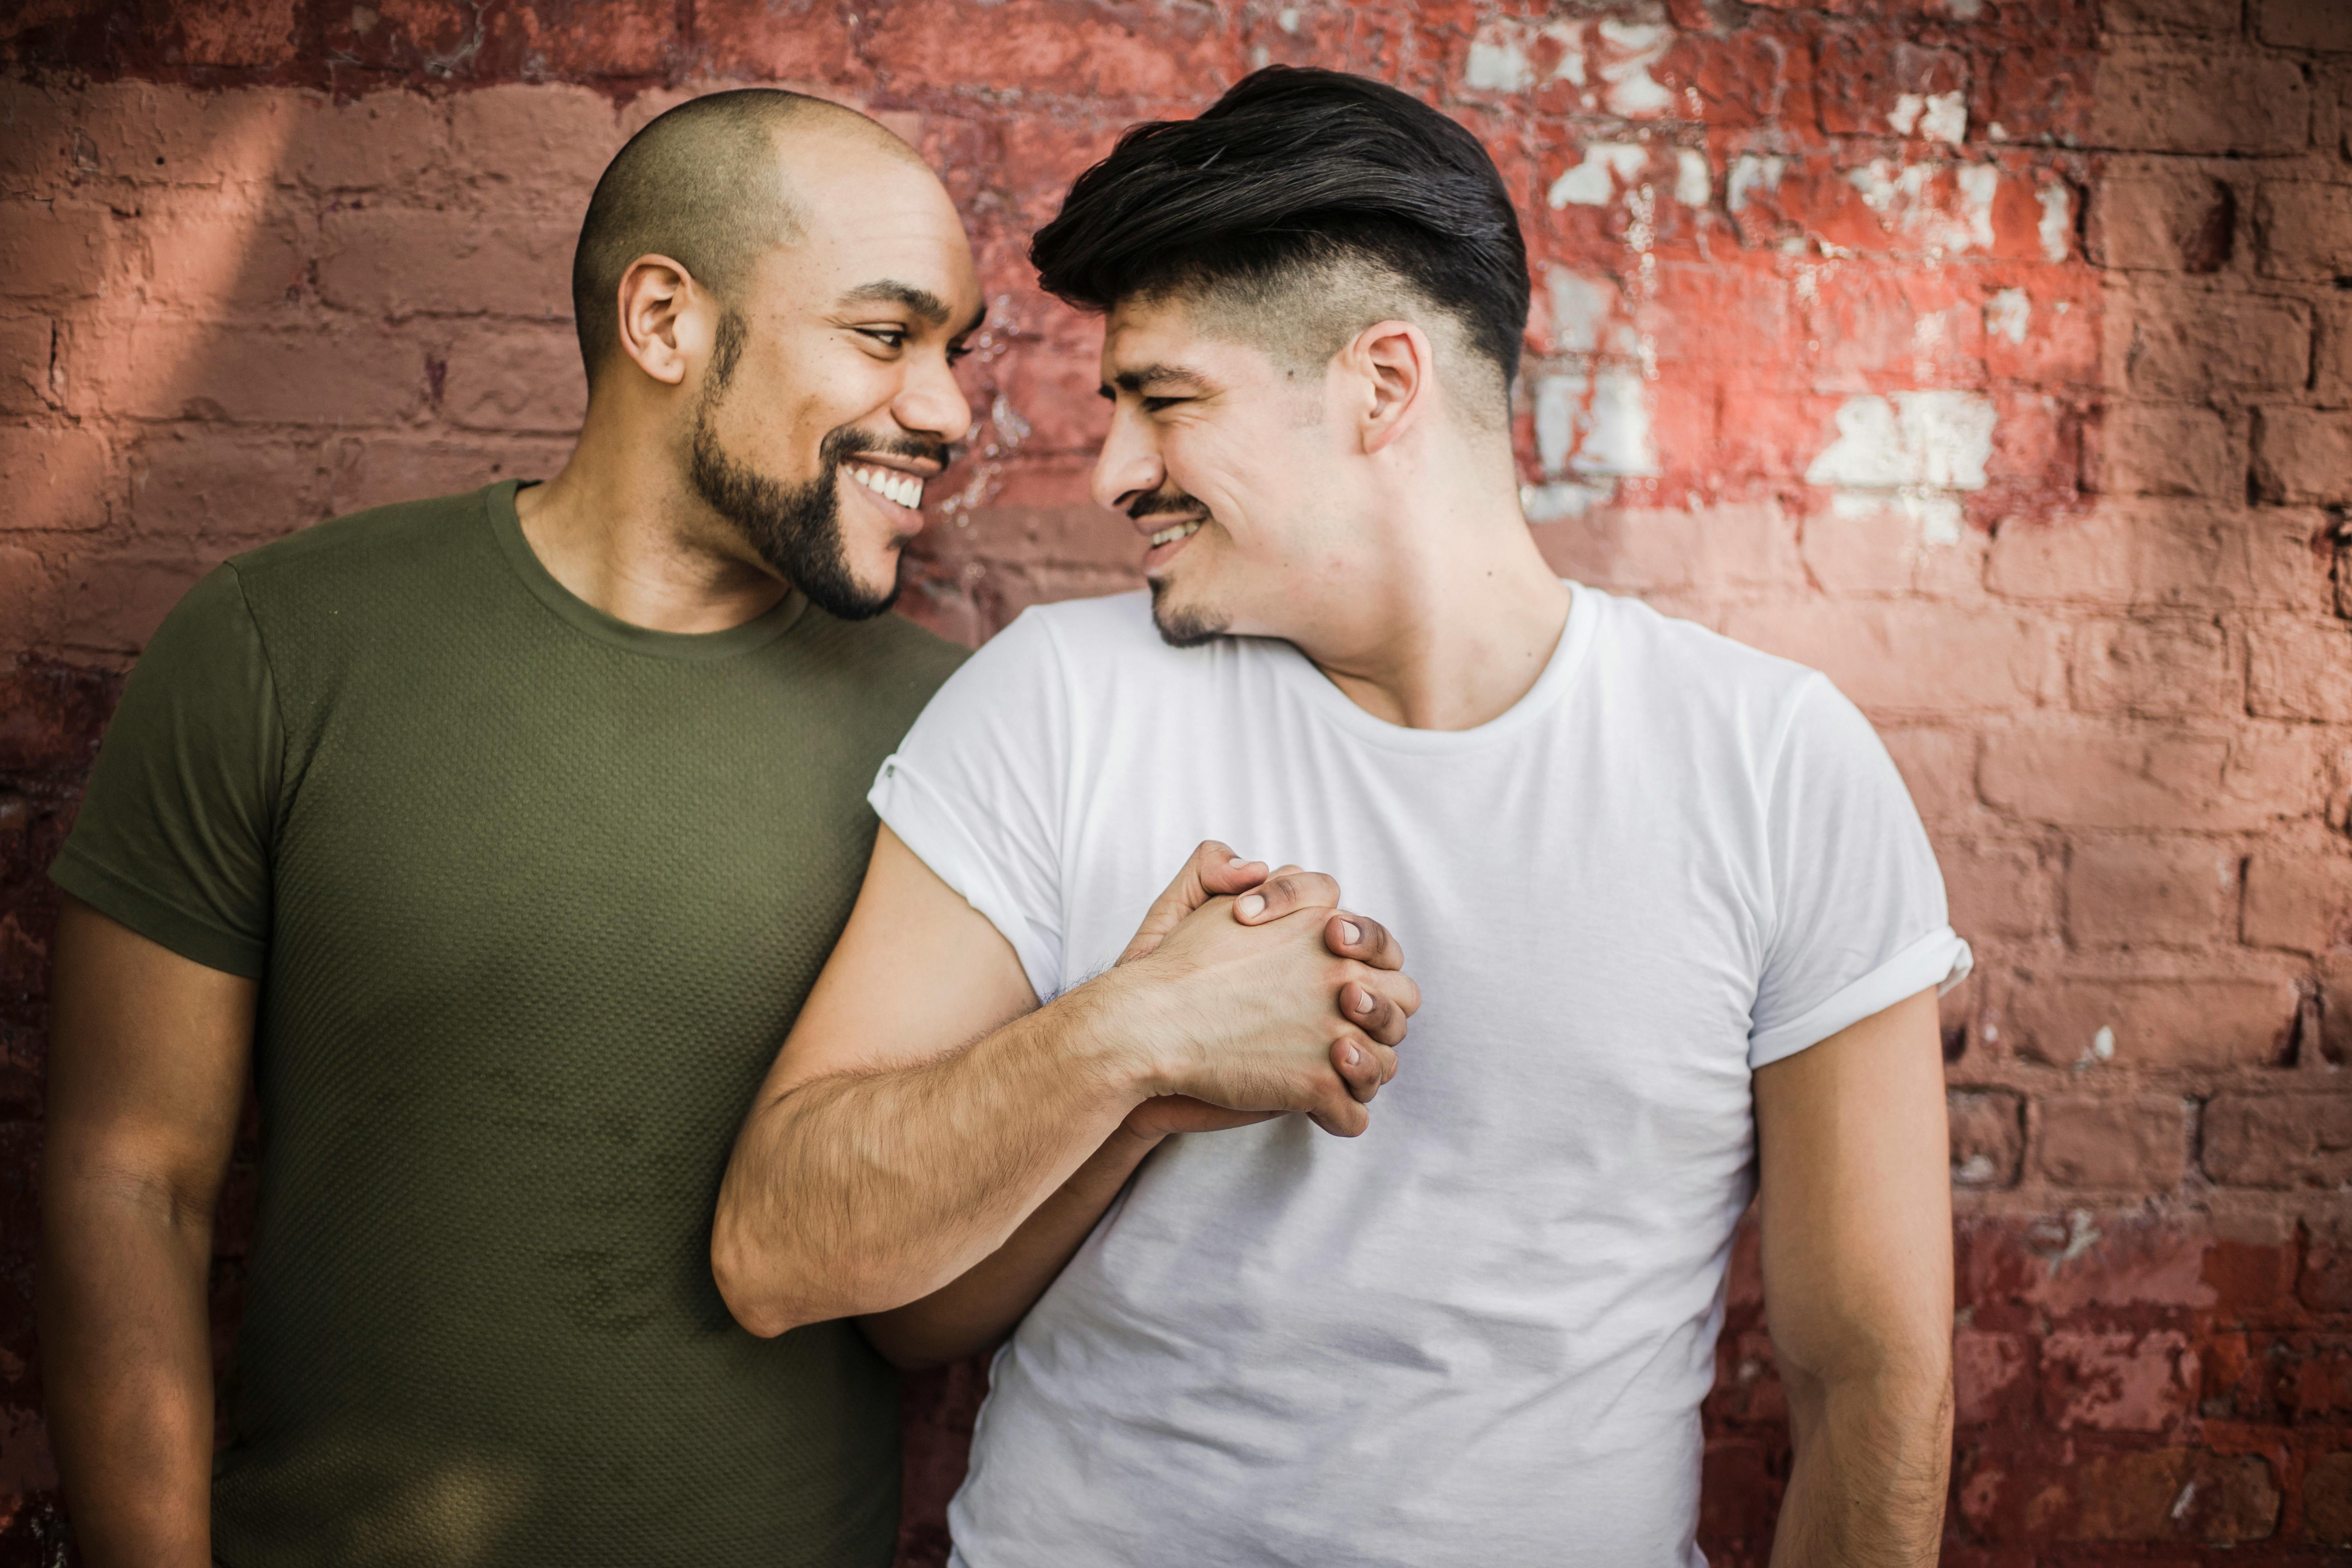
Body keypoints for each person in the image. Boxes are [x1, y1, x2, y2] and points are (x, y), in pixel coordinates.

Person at [715, 66, 1968, 1568]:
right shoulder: (1056, 698)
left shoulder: (1773, 765)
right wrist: (1133, 1044)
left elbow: (1872, 1379)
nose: (1115, 469)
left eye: (1164, 401)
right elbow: (792, 1253)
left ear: (1382, 386)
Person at [47, 88, 1001, 1568]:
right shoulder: (279, 645)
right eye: (887, 337)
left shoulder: (969, 738)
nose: (945, 408)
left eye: (957, 350)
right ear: (666, 321)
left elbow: (939, 1284)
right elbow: (131, 1177)